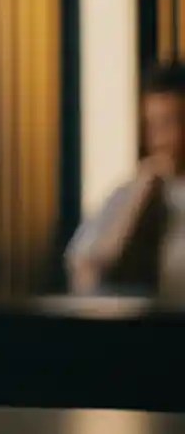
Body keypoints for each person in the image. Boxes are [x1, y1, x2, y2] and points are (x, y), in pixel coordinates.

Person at [66, 62, 185, 302]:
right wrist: (139, 200)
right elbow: (85, 273)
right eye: (152, 125)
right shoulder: (131, 190)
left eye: (170, 123)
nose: (160, 139)